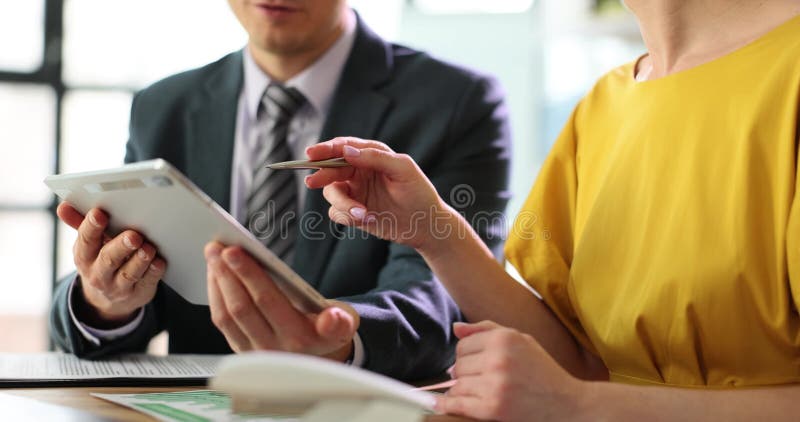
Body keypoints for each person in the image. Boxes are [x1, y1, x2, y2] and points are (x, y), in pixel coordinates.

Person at [304, 0, 800, 419]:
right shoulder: (606, 104)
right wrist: (434, 231)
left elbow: (579, 394)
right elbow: (579, 363)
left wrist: (583, 407)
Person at [49, 0, 511, 381]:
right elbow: (157, 281)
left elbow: (448, 293)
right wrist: (107, 299)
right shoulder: (163, 106)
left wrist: (339, 341)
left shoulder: (457, 102)